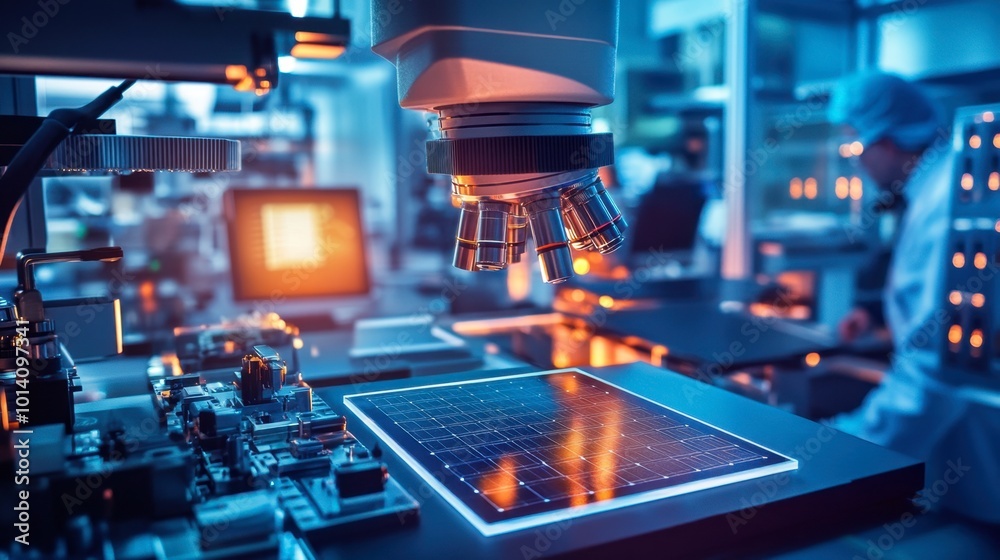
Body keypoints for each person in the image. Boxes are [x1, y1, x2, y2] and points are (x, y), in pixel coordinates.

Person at [829, 71, 1000, 524]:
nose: (855, 162)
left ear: (884, 141)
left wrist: (847, 446)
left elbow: (934, 372)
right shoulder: (938, 185)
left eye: (853, 146)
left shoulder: (947, 199)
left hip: (978, 469)